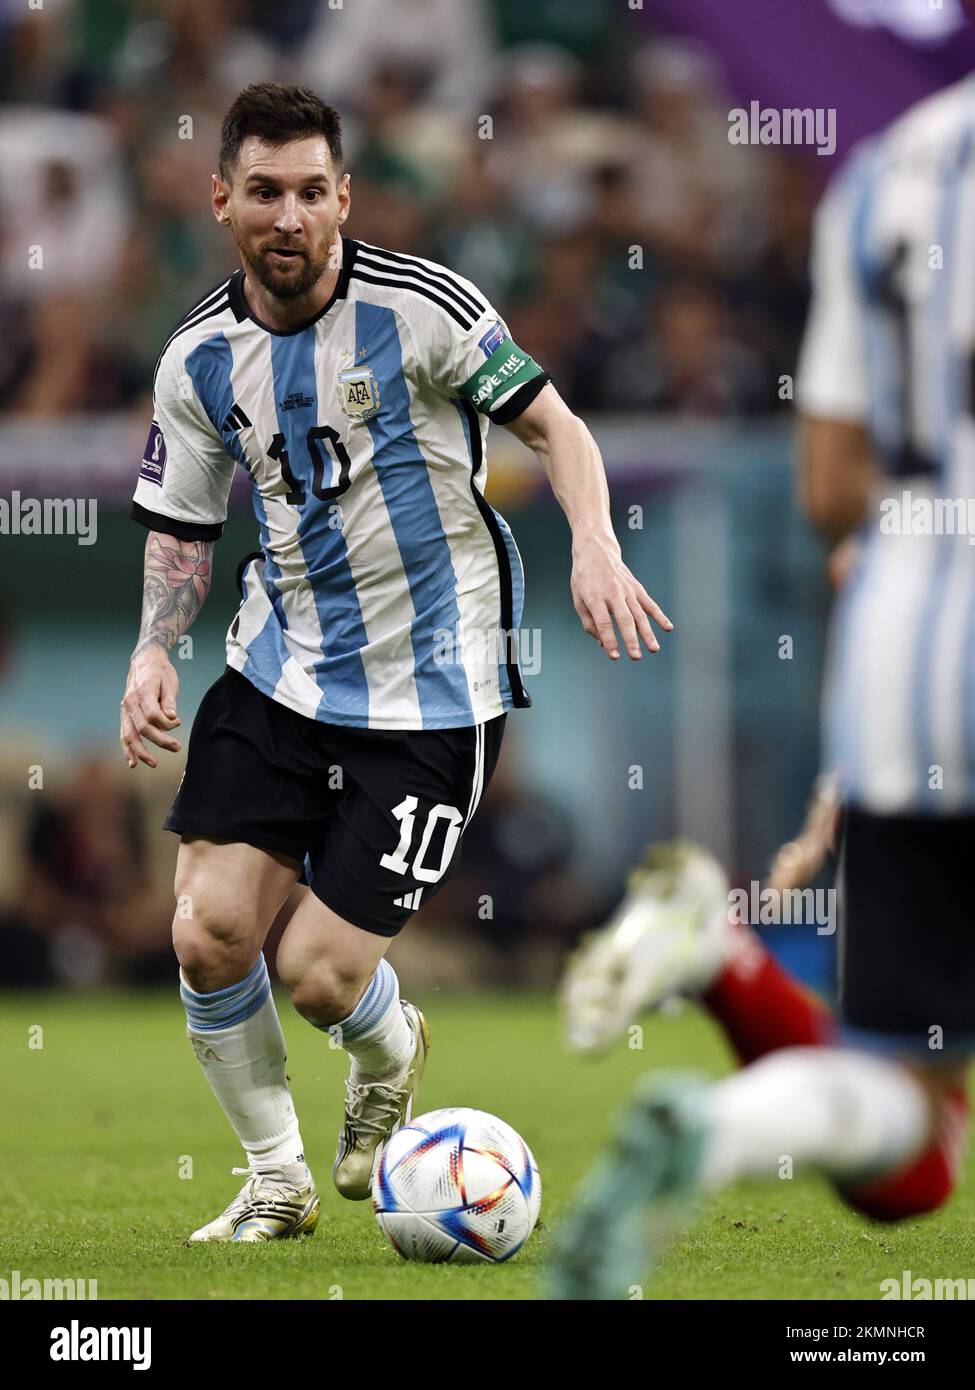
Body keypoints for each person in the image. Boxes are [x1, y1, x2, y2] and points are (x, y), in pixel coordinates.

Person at [119, 82, 671, 1243]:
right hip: (278, 675)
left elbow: (555, 426)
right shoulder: (197, 362)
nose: (292, 215)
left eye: (313, 192)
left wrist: (596, 545)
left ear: (344, 199)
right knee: (208, 927)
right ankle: (277, 1181)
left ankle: (391, 1046)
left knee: (319, 972)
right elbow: (183, 525)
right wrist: (151, 654)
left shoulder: (425, 311)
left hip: (435, 689)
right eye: (265, 191)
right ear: (221, 199)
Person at [551, 70, 975, 1299]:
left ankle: (721, 1067)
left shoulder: (885, 176)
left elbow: (834, 489)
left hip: (909, 668)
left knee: (916, 1121)